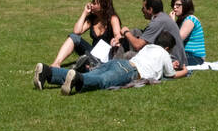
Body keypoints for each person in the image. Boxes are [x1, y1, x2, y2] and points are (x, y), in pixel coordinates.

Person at [34, 31, 188, 95]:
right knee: (102, 81)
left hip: (118, 63)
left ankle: (48, 72)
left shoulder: (148, 47)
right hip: (130, 71)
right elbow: (171, 75)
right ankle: (78, 80)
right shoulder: (164, 53)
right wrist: (185, 71)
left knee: (96, 74)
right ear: (167, 48)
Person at [47, 0, 123, 70]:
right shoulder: (92, 19)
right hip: (93, 53)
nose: (91, 5)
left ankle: (93, 65)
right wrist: (85, 13)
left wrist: (115, 40)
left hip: (107, 56)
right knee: (73, 37)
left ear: (102, 6)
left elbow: (117, 35)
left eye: (94, 3)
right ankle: (56, 63)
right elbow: (77, 32)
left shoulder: (113, 18)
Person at [118, 0, 187, 68]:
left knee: (129, 55)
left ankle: (114, 64)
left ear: (150, 10)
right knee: (135, 32)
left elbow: (137, 46)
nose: (142, 10)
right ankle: (114, 62)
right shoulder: (162, 17)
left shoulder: (158, 22)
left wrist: (126, 32)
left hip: (173, 62)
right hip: (172, 58)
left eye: (143, 8)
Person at [170, 0, 206, 67]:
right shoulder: (181, 20)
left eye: (178, 5)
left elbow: (178, 39)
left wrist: (172, 23)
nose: (174, 7)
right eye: (173, 5)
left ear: (186, 6)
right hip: (185, 55)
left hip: (194, 57)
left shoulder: (190, 19)